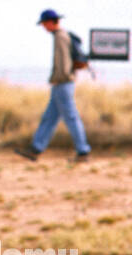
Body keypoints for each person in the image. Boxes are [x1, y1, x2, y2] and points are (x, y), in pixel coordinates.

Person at [16, 9, 90, 161]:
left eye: (44, 24)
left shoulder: (60, 37)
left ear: (50, 22)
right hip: (61, 84)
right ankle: (36, 149)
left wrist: (58, 78)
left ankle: (83, 151)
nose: (44, 27)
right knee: (49, 118)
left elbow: (62, 63)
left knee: (71, 117)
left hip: (62, 83)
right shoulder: (61, 36)